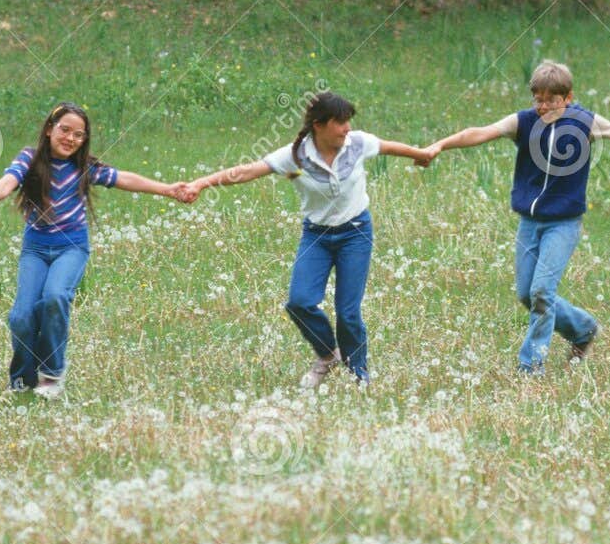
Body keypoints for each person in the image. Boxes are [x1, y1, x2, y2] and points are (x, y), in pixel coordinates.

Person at [422, 60, 610, 373]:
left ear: (568, 98)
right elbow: (479, 133)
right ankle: (582, 329)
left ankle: (530, 367)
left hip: (563, 224)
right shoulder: (523, 122)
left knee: (541, 292)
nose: (544, 106)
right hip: (529, 223)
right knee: (527, 293)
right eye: (538, 99)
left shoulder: (585, 123)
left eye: (552, 99)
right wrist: (439, 145)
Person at [184, 90, 432, 389]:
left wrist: (422, 155)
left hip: (355, 232)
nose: (347, 128)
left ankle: (359, 373)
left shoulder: (358, 144)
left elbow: (390, 147)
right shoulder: (294, 155)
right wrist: (202, 183)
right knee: (299, 302)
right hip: (317, 235)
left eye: (348, 121)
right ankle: (328, 355)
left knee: (347, 312)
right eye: (340, 122)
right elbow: (248, 171)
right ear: (319, 124)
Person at [0, 102, 192, 397]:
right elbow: (8, 181)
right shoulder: (30, 159)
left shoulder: (84, 168)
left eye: (79, 135)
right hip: (36, 248)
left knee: (55, 297)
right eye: (65, 130)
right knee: (21, 317)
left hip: (72, 247)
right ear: (50, 129)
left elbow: (125, 178)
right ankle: (21, 379)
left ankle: (51, 374)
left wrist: (168, 189)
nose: (70, 139)